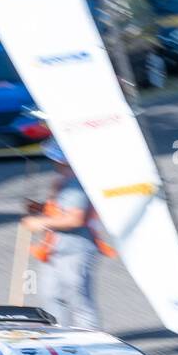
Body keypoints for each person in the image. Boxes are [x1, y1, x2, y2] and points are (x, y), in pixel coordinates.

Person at [21, 140, 110, 329]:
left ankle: (90, 341)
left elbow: (74, 219)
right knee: (51, 296)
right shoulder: (63, 180)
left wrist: (40, 222)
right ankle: (59, 337)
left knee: (78, 301)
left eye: (56, 158)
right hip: (55, 249)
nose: (53, 162)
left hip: (74, 251)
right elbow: (61, 210)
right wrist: (40, 208)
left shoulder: (76, 184)